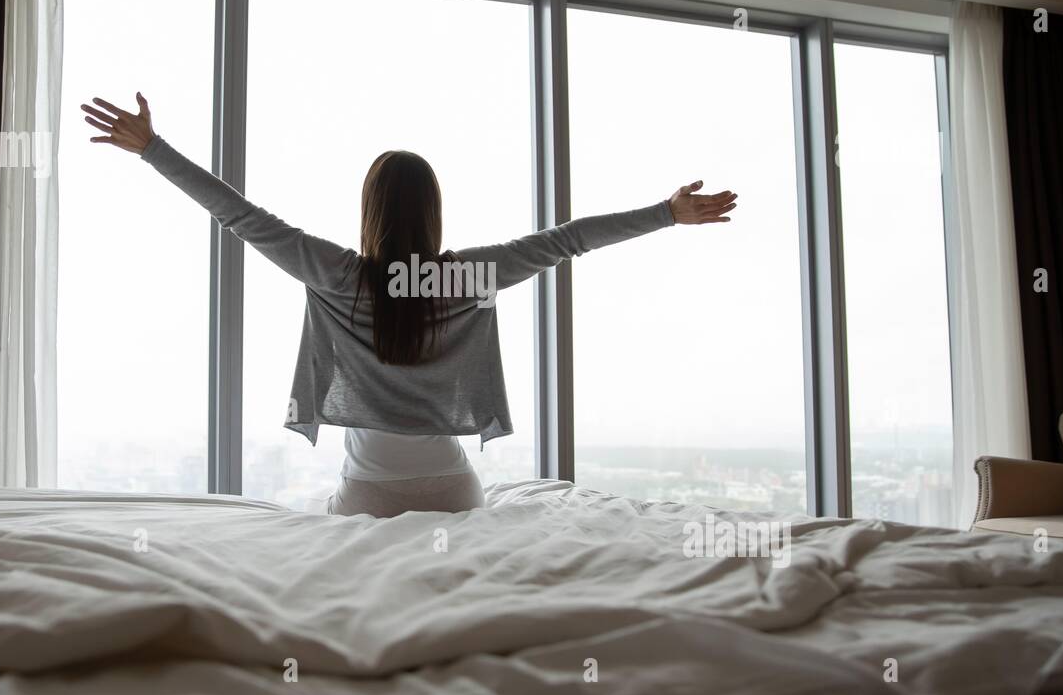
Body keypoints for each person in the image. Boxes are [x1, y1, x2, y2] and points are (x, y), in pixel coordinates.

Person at [81, 93, 738, 517]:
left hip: (368, 498)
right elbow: (566, 242)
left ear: (371, 211)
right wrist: (666, 213)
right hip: (457, 495)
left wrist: (152, 150)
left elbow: (240, 216)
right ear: (433, 213)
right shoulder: (464, 278)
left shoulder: (337, 274)